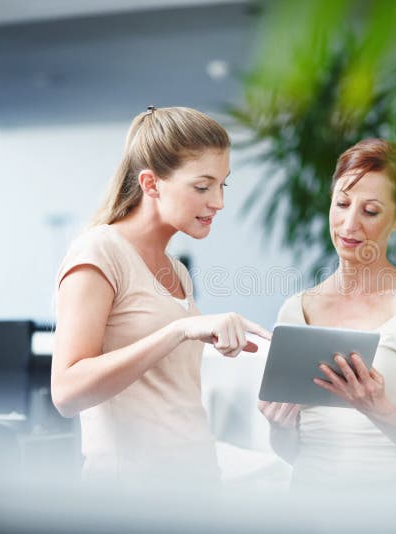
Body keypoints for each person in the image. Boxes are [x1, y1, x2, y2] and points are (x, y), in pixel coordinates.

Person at [51, 106, 270, 489]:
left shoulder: (177, 271)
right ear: (151, 184)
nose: (218, 202)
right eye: (202, 187)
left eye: (223, 185)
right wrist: (178, 331)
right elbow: (67, 393)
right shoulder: (99, 252)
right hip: (132, 496)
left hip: (196, 485)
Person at [258, 138, 396, 496]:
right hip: (308, 509)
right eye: (342, 204)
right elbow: (292, 454)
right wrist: (279, 427)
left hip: (391, 510)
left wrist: (376, 407)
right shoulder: (295, 310)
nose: (349, 225)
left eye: (370, 211)